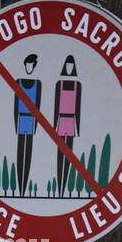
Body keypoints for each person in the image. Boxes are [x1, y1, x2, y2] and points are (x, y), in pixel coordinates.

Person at [53, 56, 82, 195]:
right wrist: (53, 127)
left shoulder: (78, 85)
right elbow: (55, 107)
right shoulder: (59, 84)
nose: (69, 68)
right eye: (68, 65)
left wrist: (78, 128)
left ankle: (64, 185)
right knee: (60, 154)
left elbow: (78, 109)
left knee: (69, 154)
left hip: (71, 122)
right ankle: (59, 184)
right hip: (61, 121)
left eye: (72, 66)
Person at [14, 53, 42, 196]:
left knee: (28, 151)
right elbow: (15, 105)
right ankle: (20, 187)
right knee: (20, 151)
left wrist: (36, 125)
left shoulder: (38, 84)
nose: (29, 68)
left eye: (31, 65)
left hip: (31, 120)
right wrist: (15, 123)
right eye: (27, 65)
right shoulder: (18, 82)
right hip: (21, 119)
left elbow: (37, 105)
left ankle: (25, 185)